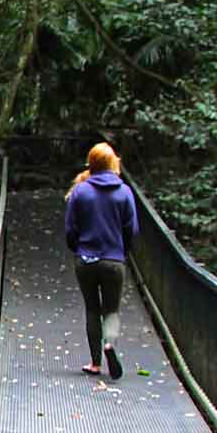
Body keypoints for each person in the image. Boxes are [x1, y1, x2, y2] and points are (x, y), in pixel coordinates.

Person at [64, 142, 139, 378]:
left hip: (86, 259)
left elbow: (70, 229)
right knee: (111, 310)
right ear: (112, 163)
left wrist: (78, 248)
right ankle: (110, 345)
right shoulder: (124, 192)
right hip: (113, 260)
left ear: (92, 164)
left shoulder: (81, 191)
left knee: (92, 309)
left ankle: (95, 363)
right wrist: (122, 251)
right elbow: (132, 229)